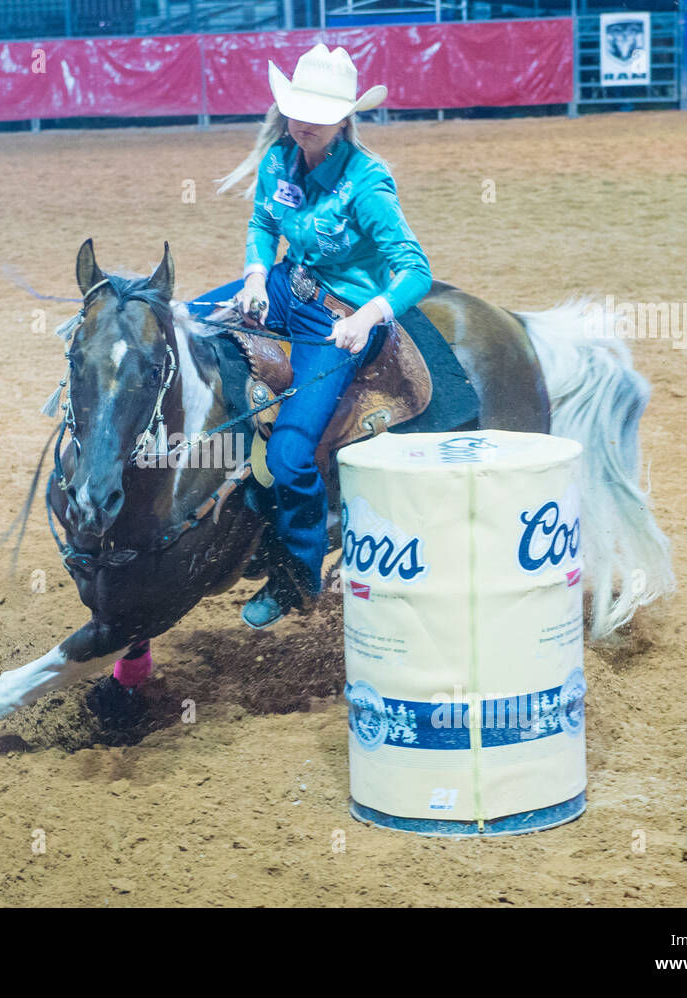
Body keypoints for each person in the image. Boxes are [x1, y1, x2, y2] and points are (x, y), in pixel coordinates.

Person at [215, 43, 433, 630]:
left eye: (317, 112)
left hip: (337, 317)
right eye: (294, 108)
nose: (302, 121)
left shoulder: (367, 181)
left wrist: (369, 316)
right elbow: (262, 224)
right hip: (285, 285)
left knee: (290, 453)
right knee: (182, 327)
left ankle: (296, 577)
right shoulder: (280, 159)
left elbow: (416, 268)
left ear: (345, 119)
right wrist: (257, 275)